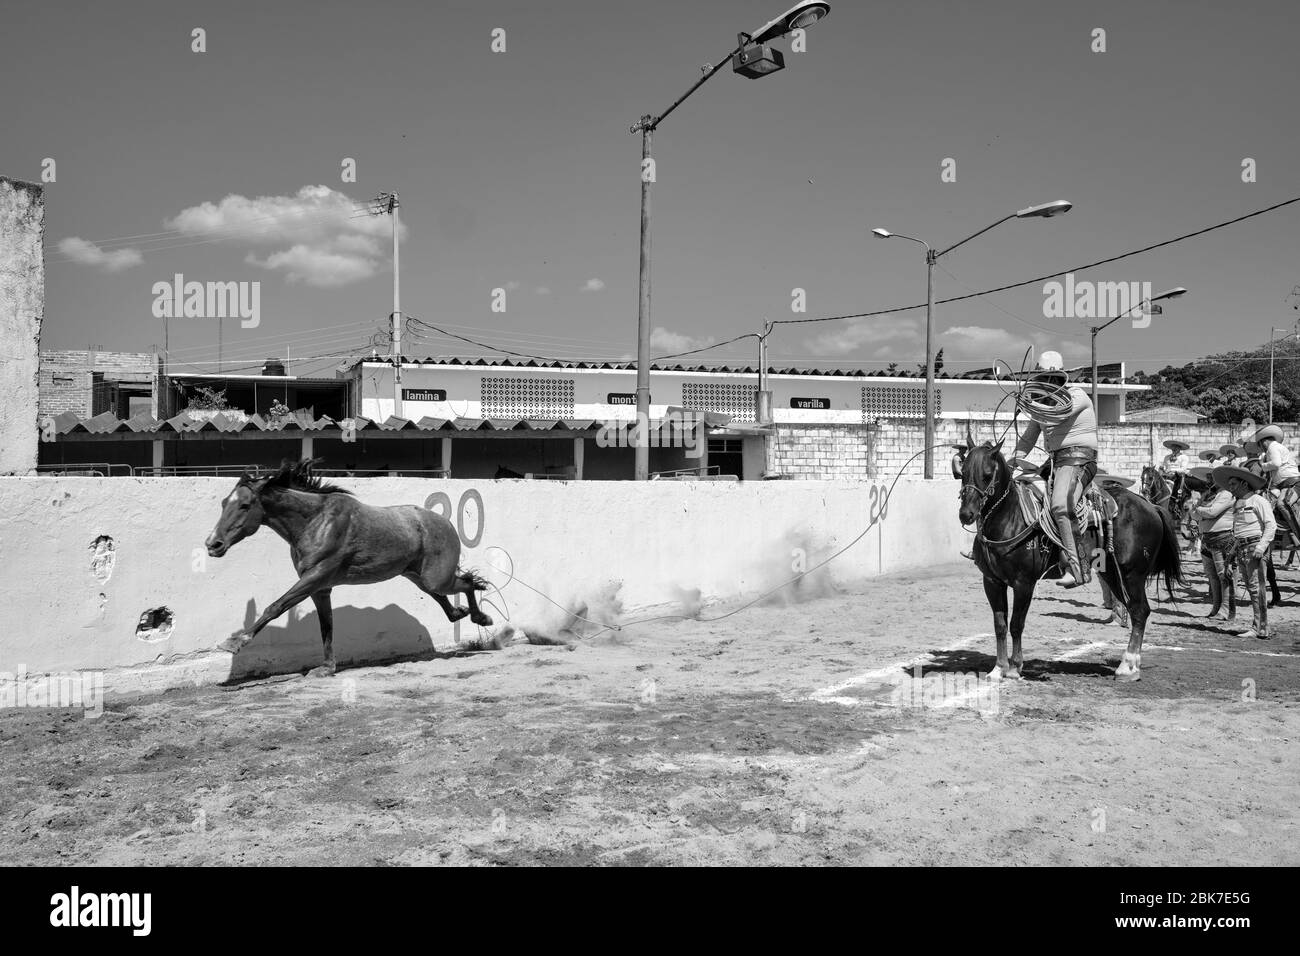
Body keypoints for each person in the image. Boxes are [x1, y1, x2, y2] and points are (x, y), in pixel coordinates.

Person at [1011, 350, 1098, 588]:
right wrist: (1012, 460)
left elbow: (1058, 414)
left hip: (1078, 460)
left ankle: (1078, 568)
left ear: (1059, 378)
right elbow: (1028, 438)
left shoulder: (1077, 395)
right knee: (1017, 491)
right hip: (1055, 462)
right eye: (1042, 379)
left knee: (1061, 505)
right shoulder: (1041, 405)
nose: (1045, 383)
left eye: (1048, 379)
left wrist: (1028, 404)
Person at [1211, 465, 1276, 640]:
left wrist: (1261, 547)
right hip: (1242, 549)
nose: (1230, 487)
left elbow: (1271, 525)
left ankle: (1261, 628)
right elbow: (1237, 534)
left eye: (1233, 484)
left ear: (1244, 484)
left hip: (1254, 548)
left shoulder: (1258, 501)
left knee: (1256, 588)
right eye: (1229, 484)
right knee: (1252, 588)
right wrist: (1230, 558)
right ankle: (1259, 626)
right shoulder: (1238, 504)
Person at [1192, 466, 1236, 622]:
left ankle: (1225, 609)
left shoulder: (1227, 494)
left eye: (1212, 477)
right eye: (1208, 477)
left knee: (1223, 575)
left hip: (1222, 537)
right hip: (1208, 538)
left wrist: (1199, 509)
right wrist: (1201, 511)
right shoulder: (1209, 495)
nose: (1208, 480)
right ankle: (1216, 607)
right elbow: (1194, 515)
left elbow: (1212, 512)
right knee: (1212, 575)